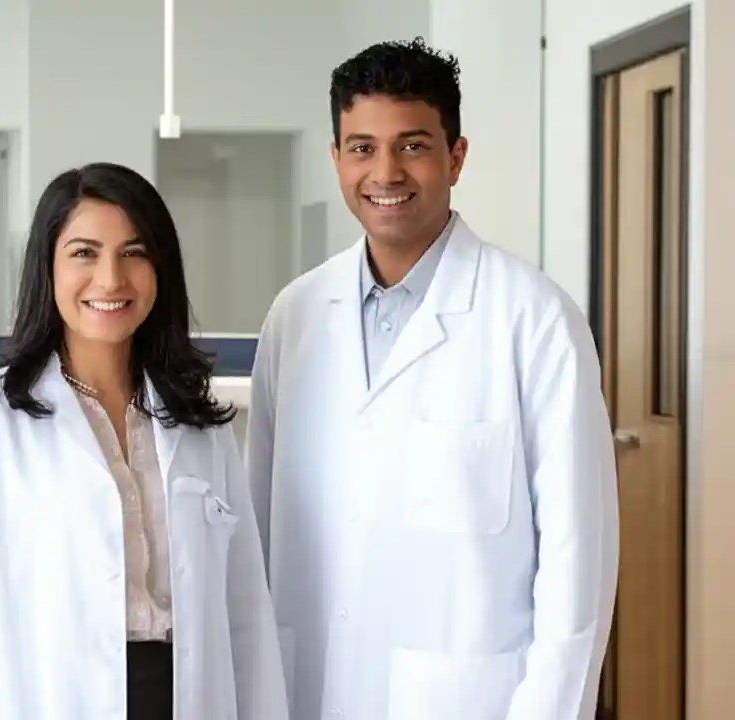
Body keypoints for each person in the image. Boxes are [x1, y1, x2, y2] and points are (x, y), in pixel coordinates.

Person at [247, 39, 619, 719]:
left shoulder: (535, 320)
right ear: (336, 158)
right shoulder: (294, 316)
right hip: (308, 692)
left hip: (471, 698)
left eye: (412, 146)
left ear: (456, 156)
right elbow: (260, 534)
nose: (385, 171)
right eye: (362, 148)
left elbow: (578, 565)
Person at [0, 162, 288, 720]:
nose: (111, 279)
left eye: (134, 252)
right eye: (84, 253)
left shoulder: (199, 425)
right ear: (47, 268)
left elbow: (245, 620)